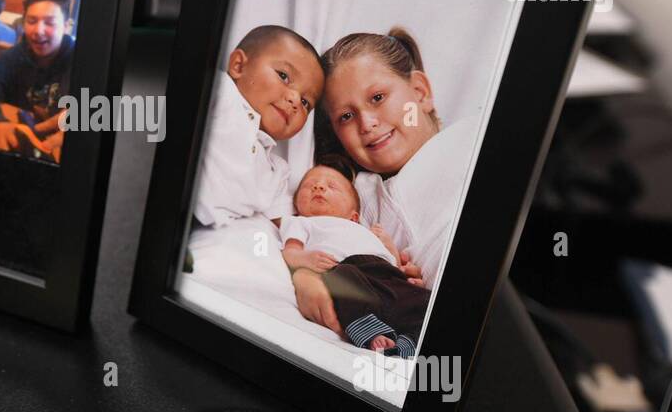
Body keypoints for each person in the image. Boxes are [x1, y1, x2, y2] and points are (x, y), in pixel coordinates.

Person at [292, 27, 476, 335]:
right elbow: (321, 243)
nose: (367, 123)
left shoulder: (473, 136)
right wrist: (304, 277)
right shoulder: (359, 198)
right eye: (346, 117)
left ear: (420, 92)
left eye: (378, 98)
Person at [280, 157, 428, 358]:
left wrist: (393, 254)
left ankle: (409, 342)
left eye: (332, 186)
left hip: (387, 275)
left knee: (423, 302)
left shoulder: (364, 230)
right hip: (346, 268)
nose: (319, 188)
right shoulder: (302, 222)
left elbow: (393, 262)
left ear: (354, 216)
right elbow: (290, 253)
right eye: (309, 186)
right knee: (343, 278)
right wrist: (305, 259)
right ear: (297, 207)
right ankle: (371, 332)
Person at [192, 24, 324, 228]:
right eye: (283, 76)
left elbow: (284, 223)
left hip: (204, 233)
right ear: (238, 66)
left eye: (306, 102)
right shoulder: (223, 94)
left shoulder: (276, 171)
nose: (295, 100)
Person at [0, 0, 78, 160]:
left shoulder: (76, 57)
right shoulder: (19, 53)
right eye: (32, 21)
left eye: (50, 22)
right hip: (19, 146)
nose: (38, 30)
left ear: (67, 26)